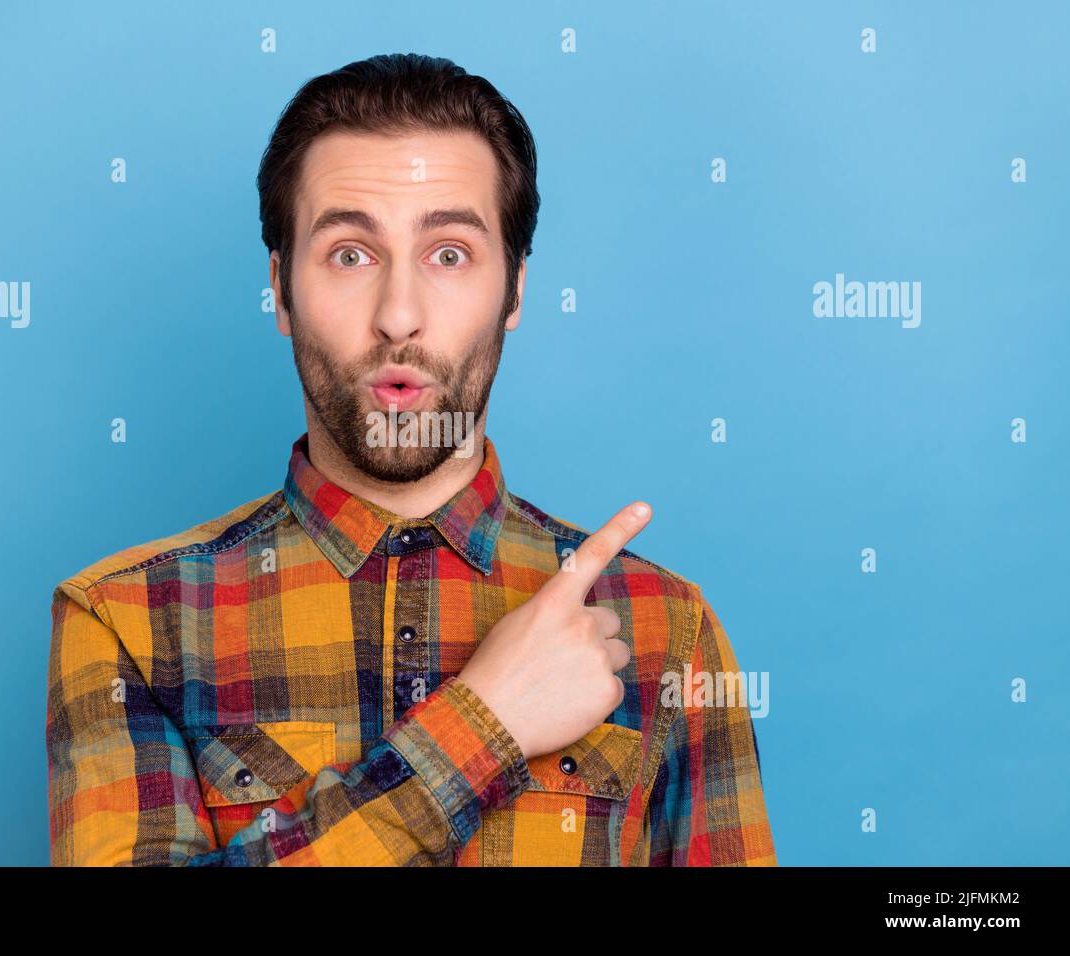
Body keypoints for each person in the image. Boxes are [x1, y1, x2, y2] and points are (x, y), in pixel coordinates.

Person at [46, 52, 777, 866]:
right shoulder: (130, 622)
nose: (399, 315)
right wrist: (482, 727)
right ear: (282, 291)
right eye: (350, 253)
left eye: (450, 253)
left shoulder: (669, 629)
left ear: (516, 293)